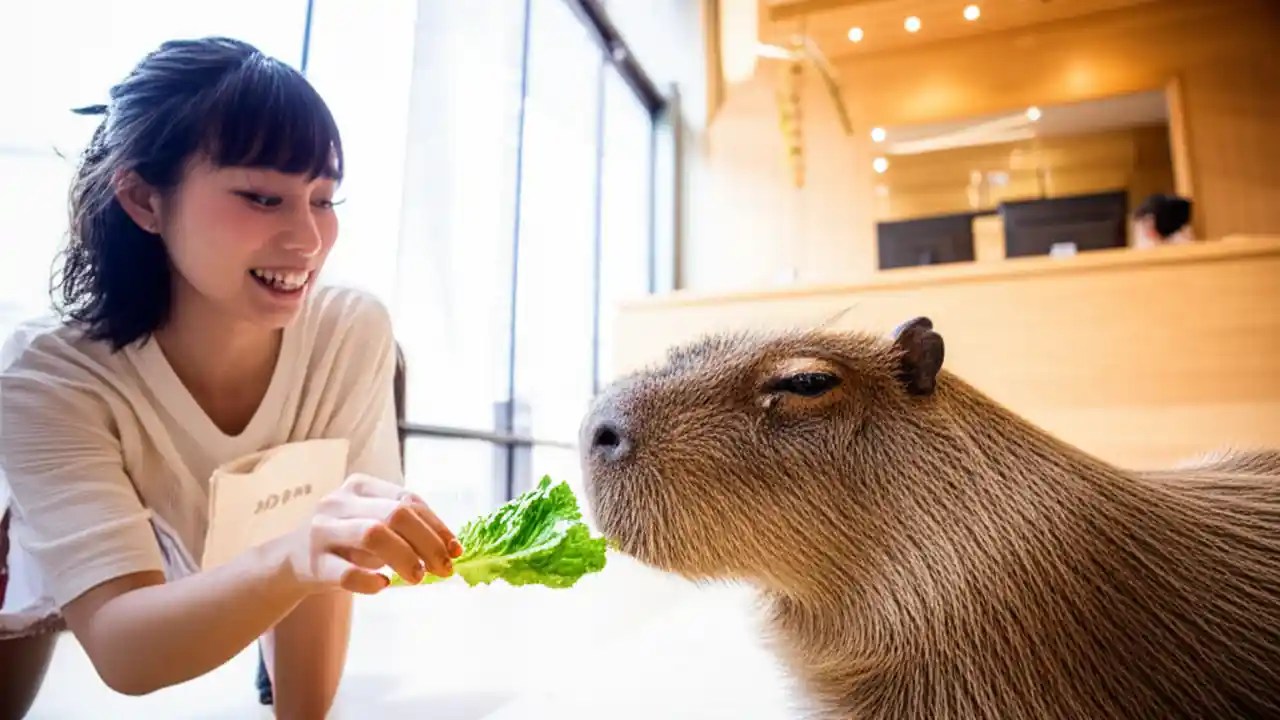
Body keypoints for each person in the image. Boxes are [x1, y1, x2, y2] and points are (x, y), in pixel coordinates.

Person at [0, 37, 461, 718]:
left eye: (324, 199)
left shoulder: (348, 332)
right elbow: (123, 646)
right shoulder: (50, 375)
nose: (308, 241)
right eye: (261, 198)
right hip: (21, 590)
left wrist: (304, 561)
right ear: (141, 198)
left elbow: (324, 564)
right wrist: (296, 555)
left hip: (214, 568)